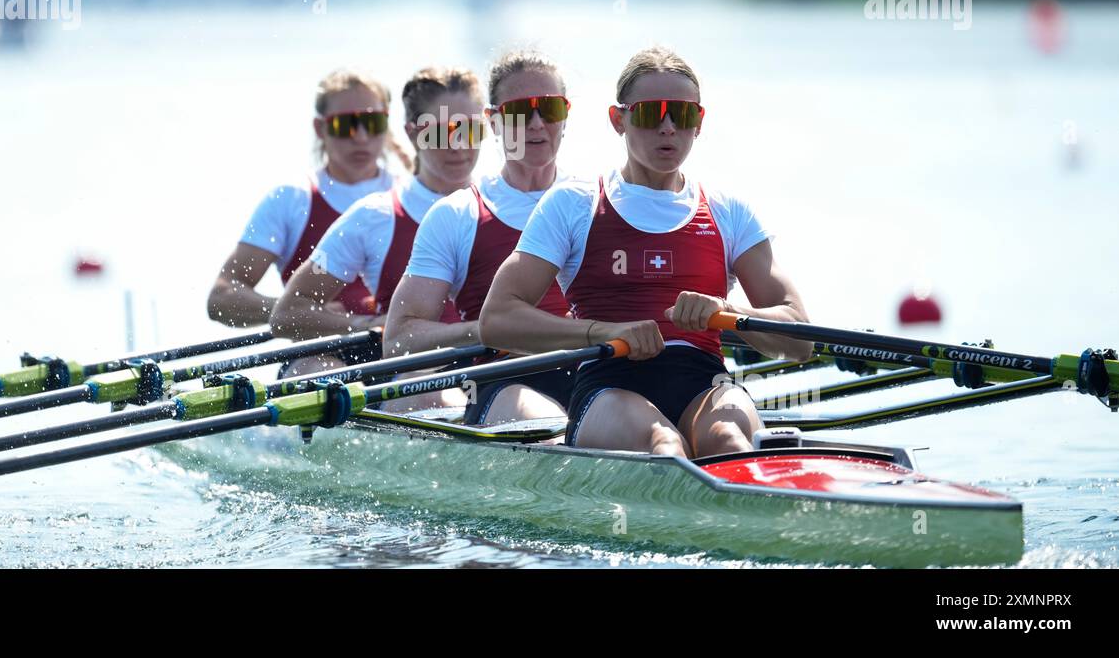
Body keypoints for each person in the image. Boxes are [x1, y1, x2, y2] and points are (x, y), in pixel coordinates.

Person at [479, 46, 812, 458]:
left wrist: (724, 312)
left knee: (728, 441)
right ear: (618, 120)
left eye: (683, 114)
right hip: (608, 382)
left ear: (699, 123)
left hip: (704, 381)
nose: (668, 127)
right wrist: (604, 331)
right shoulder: (574, 203)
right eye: (651, 114)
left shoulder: (729, 211)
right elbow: (497, 318)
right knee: (665, 445)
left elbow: (800, 339)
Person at [384, 49, 574, 424]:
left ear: (565, 116)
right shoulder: (457, 214)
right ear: (493, 120)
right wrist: (487, 330)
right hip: (505, 385)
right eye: (521, 112)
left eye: (549, 109)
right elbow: (399, 341)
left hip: (596, 375)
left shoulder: (597, 202)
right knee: (551, 423)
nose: (536, 124)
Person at [270, 67, 484, 380]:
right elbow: (287, 314)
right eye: (440, 131)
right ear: (412, 133)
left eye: (469, 130)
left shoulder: (510, 207)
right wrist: (361, 324)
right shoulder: (371, 218)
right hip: (415, 379)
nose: (457, 145)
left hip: (494, 370)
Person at [207, 69, 404, 330]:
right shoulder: (290, 200)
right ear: (320, 128)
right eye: (345, 125)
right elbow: (221, 297)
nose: (361, 136)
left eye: (373, 123)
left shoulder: (411, 196)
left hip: (400, 351)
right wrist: (295, 309)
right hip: (319, 351)